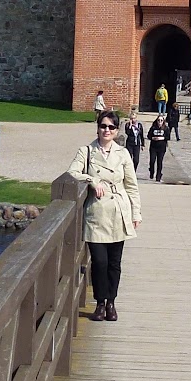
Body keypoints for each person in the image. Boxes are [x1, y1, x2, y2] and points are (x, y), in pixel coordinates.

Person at [67, 111, 141, 322]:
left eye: (111, 127)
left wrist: (136, 212)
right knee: (99, 262)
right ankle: (100, 302)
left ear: (117, 131)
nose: (106, 130)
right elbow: (71, 173)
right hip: (97, 214)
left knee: (114, 263)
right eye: (103, 126)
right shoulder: (86, 151)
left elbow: (132, 186)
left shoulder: (123, 154)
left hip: (118, 212)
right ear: (98, 127)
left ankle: (111, 303)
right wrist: (92, 180)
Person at [146, 113, 170, 181]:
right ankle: (151, 171)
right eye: (158, 120)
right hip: (153, 147)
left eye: (161, 120)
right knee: (152, 161)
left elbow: (168, 137)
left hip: (161, 147)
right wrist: (153, 138)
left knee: (159, 162)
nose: (160, 122)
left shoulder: (166, 128)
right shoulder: (153, 127)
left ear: (163, 121)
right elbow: (149, 136)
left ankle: (158, 175)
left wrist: (161, 138)